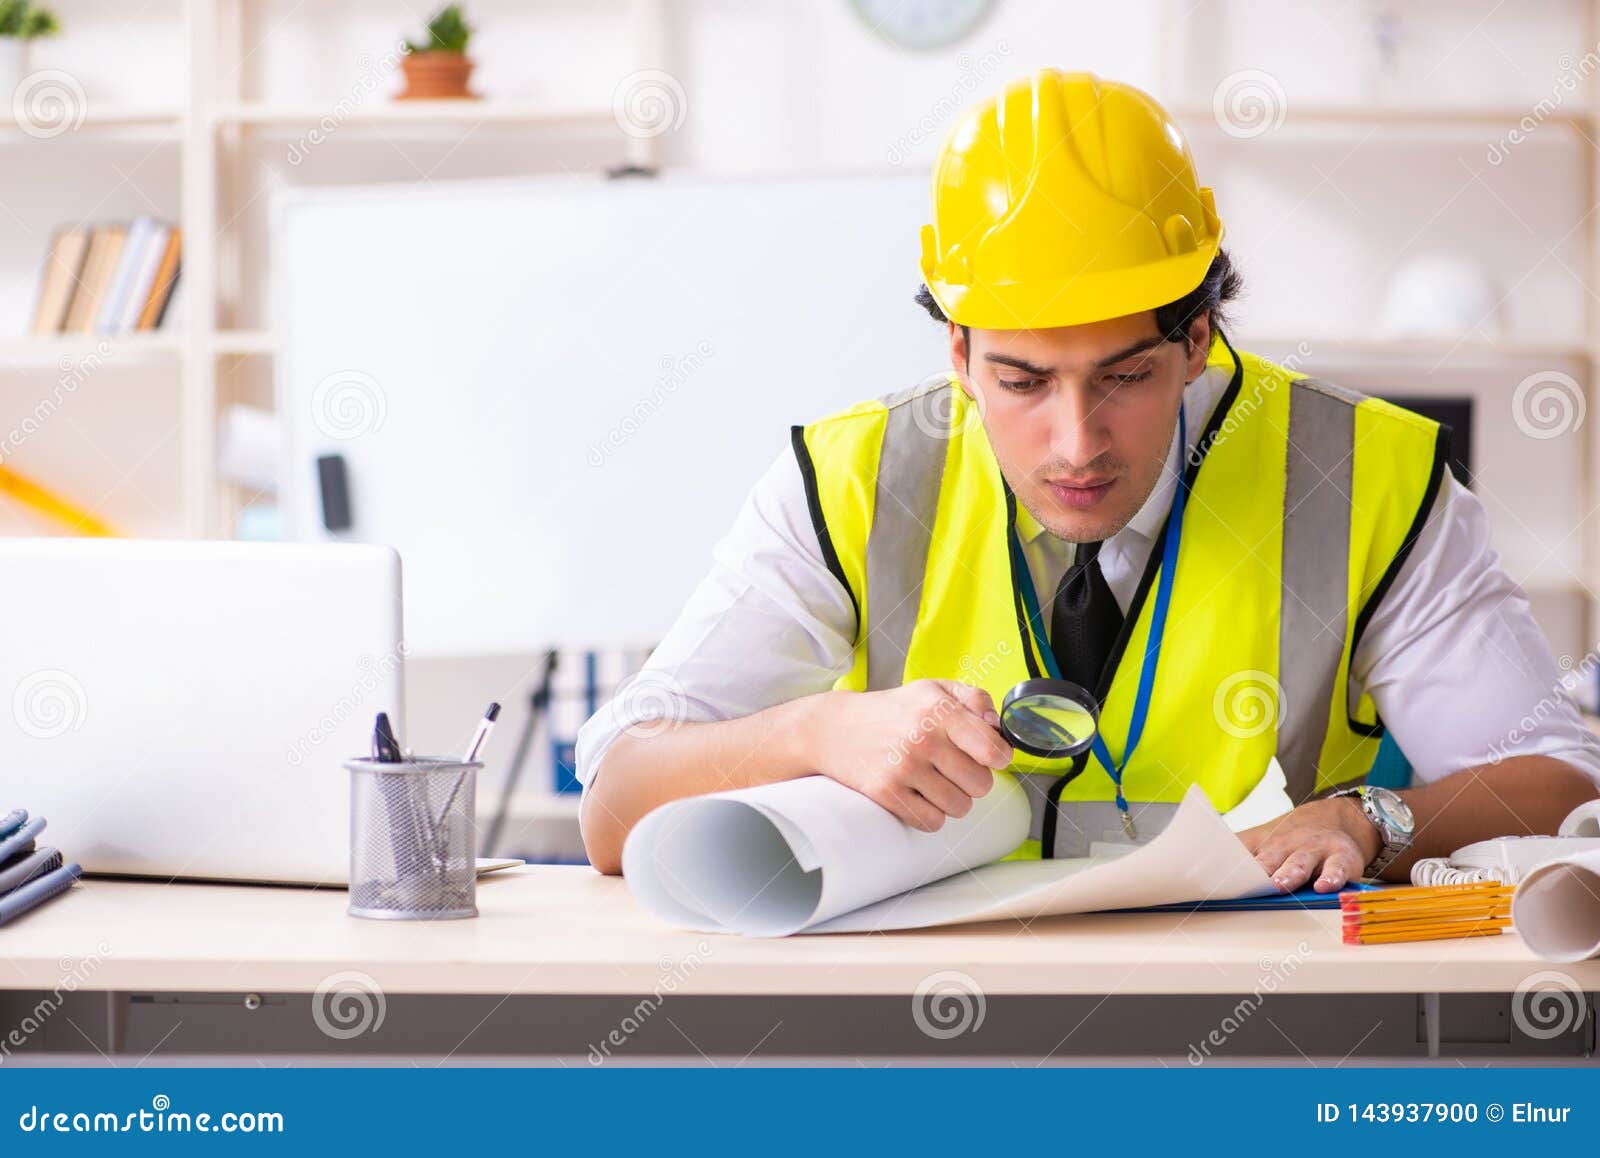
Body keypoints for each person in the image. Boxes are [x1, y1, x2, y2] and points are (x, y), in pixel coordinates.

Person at [575, 69, 1600, 891]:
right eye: (1021, 380)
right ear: (959, 354)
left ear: (1196, 335)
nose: (1075, 444)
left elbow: (1562, 784)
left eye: (1124, 377)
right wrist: (810, 732)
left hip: (1259, 1022)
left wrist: (1372, 819)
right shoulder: (848, 479)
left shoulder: (1368, 475)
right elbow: (617, 801)